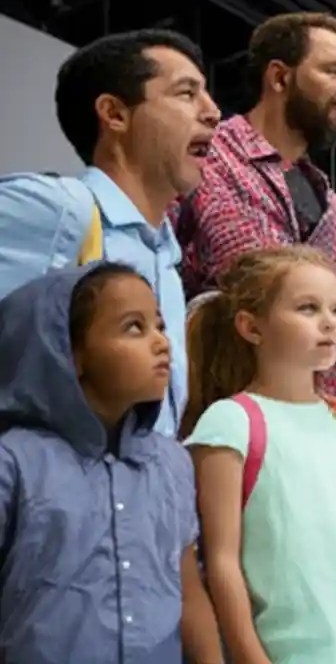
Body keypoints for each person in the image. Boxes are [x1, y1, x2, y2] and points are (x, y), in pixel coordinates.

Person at [0, 28, 222, 439]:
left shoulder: (168, 263)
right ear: (115, 114)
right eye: (186, 93)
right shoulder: (60, 210)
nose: (212, 112)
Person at [180, 246, 336, 664]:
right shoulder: (232, 422)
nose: (330, 322)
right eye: (307, 308)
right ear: (251, 327)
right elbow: (222, 562)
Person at [0, 263, 218, 663]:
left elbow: (189, 593)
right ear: (70, 354)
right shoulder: (14, 463)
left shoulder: (172, 463)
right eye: (133, 327)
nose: (162, 344)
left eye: (160, 326)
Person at [170, 12, 336, 420]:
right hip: (225, 438)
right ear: (279, 78)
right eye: (333, 71)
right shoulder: (205, 162)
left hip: (323, 440)